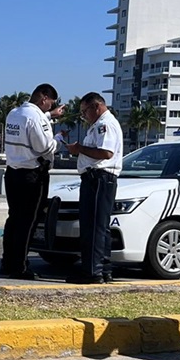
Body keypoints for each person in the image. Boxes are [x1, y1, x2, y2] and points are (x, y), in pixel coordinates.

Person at [0, 84, 63, 279]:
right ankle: (20, 266)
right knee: (28, 222)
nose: (49, 106)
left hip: (12, 172)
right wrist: (58, 140)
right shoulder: (35, 117)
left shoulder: (14, 113)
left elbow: (31, 125)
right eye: (50, 103)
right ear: (44, 98)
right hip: (32, 174)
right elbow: (44, 147)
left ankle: (7, 263)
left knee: (13, 220)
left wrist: (51, 115)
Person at [65, 92, 123, 284]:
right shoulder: (99, 125)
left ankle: (91, 271)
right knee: (100, 227)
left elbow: (105, 153)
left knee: (93, 226)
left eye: (85, 111)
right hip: (98, 178)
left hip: (99, 178)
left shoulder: (104, 125)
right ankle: (103, 269)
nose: (84, 116)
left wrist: (79, 149)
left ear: (96, 107)